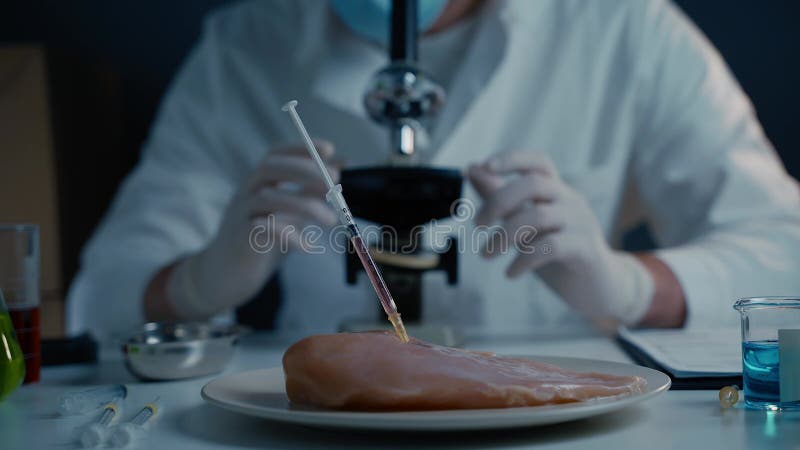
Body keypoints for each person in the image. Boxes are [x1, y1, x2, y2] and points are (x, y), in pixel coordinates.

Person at [67, 0, 800, 340]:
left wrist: (633, 285)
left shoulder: (627, 29)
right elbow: (99, 297)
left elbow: (785, 255)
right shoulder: (246, 46)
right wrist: (196, 282)